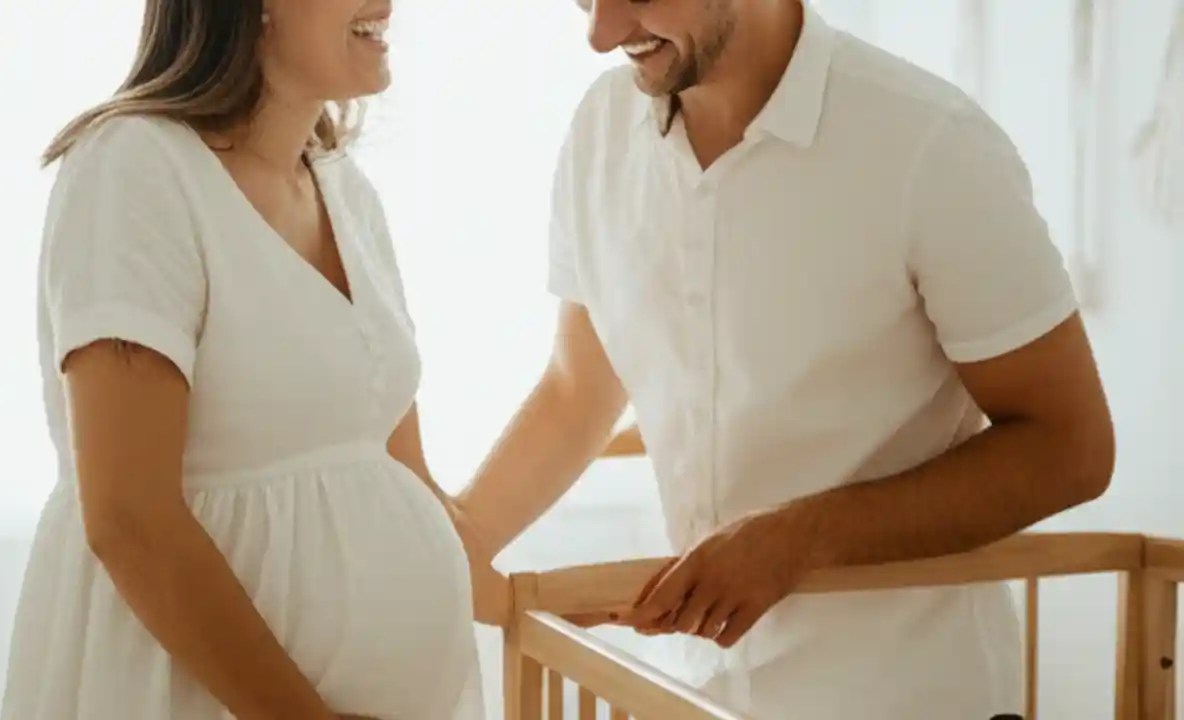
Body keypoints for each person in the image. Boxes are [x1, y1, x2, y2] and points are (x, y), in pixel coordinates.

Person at [454, 0, 1115, 718]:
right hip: (699, 693)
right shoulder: (601, 131)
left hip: (910, 696)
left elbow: (1070, 447)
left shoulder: (930, 144)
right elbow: (577, 391)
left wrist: (799, 538)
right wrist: (448, 551)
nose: (600, 32)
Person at [0, 2, 505, 719]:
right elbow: (128, 516)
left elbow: (403, 475)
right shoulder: (136, 167)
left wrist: (538, 600)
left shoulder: (346, 192)